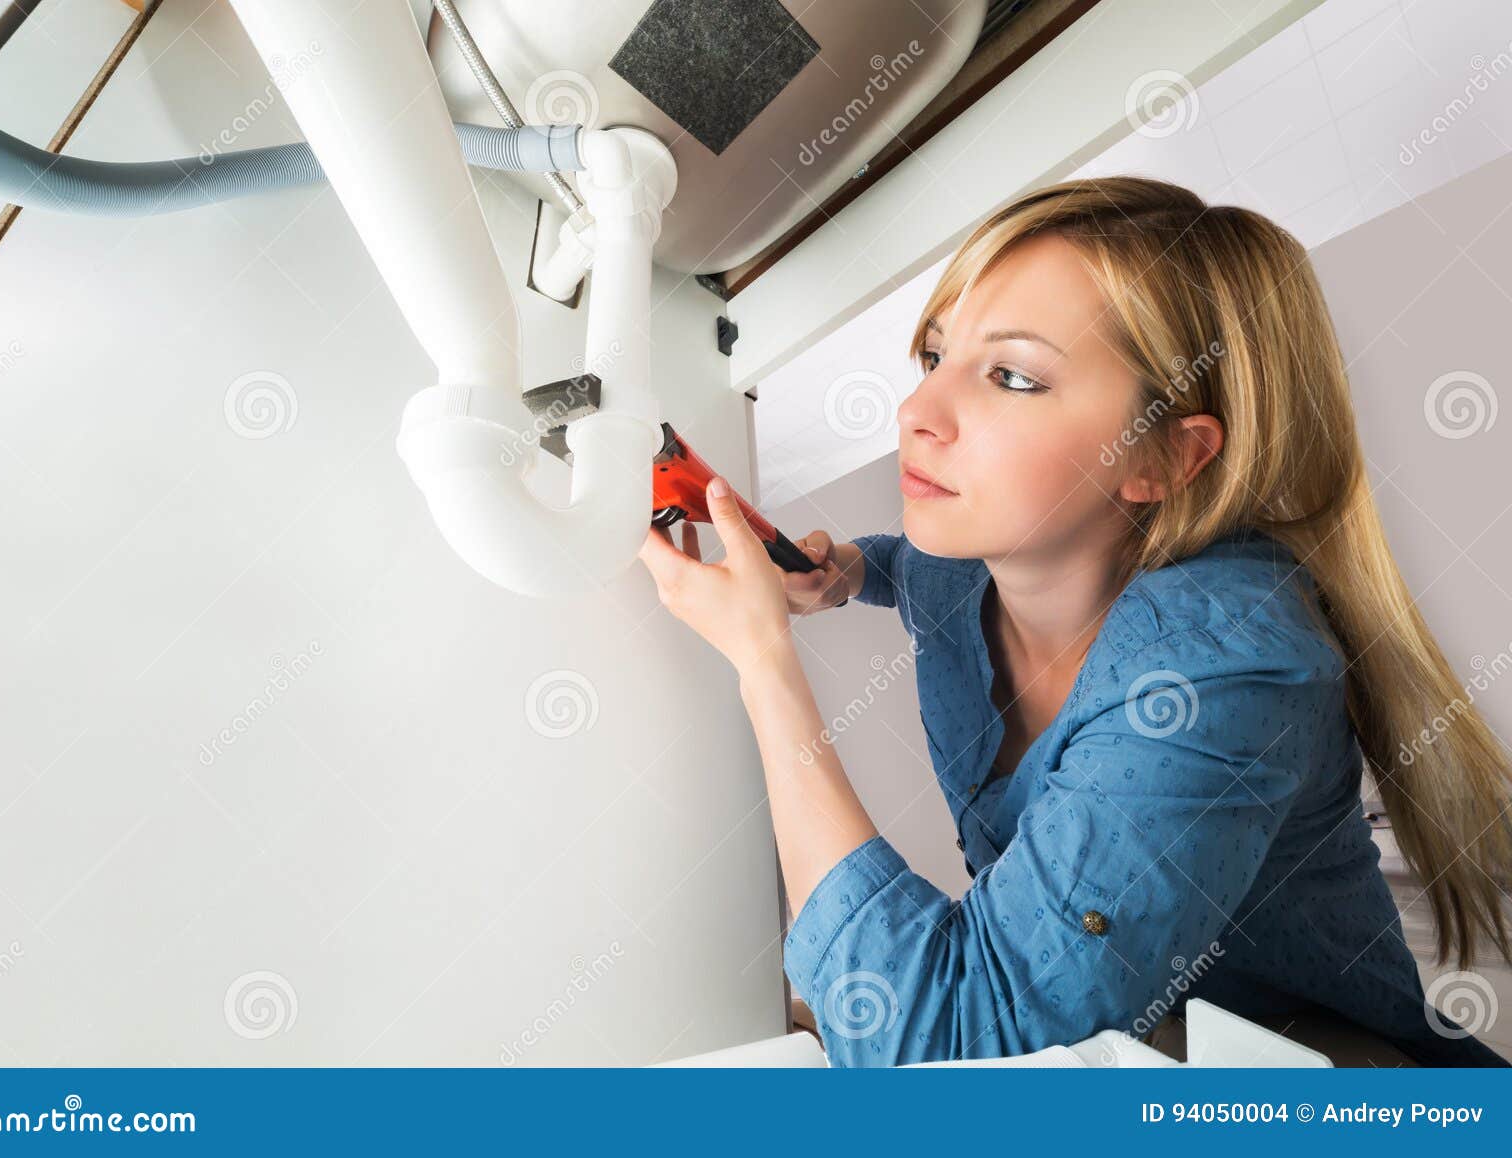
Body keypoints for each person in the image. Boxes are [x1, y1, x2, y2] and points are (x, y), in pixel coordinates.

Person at [636, 176, 1512, 1067]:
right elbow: (914, 571)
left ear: (1166, 455)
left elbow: (954, 1055)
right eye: (934, 358)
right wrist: (844, 573)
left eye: (1013, 377)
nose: (915, 414)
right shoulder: (962, 557)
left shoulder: (1226, 676)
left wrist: (763, 661)